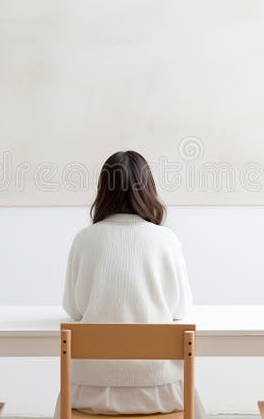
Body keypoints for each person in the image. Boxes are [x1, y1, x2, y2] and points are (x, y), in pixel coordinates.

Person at [56, 150, 206, 419]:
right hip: (162, 392)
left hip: (89, 393)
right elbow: (180, 309)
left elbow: (74, 309)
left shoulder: (84, 240)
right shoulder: (166, 240)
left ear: (103, 190)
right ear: (148, 189)